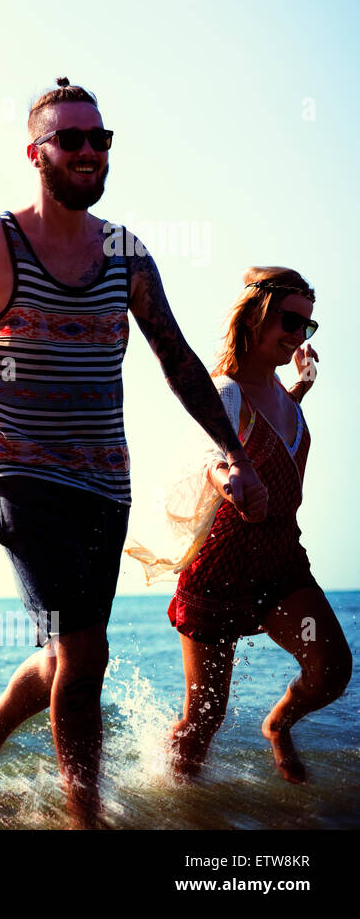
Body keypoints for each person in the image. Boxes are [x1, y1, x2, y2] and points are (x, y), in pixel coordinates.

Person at [0, 79, 267, 827]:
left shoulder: (125, 254)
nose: (88, 151)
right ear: (35, 153)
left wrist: (233, 453)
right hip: (15, 470)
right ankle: (87, 819)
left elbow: (176, 359)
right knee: (85, 657)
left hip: (103, 481)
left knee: (65, 653)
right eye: (71, 139)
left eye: (99, 139)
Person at [164, 268, 350, 783]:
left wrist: (301, 387)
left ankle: (279, 724)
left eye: (307, 327)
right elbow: (213, 456)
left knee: (331, 670)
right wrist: (231, 484)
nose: (298, 334)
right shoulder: (223, 392)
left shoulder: (286, 398)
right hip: (220, 570)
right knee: (205, 720)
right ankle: (177, 806)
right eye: (290, 320)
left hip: (280, 564)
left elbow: (276, 424)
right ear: (256, 317)